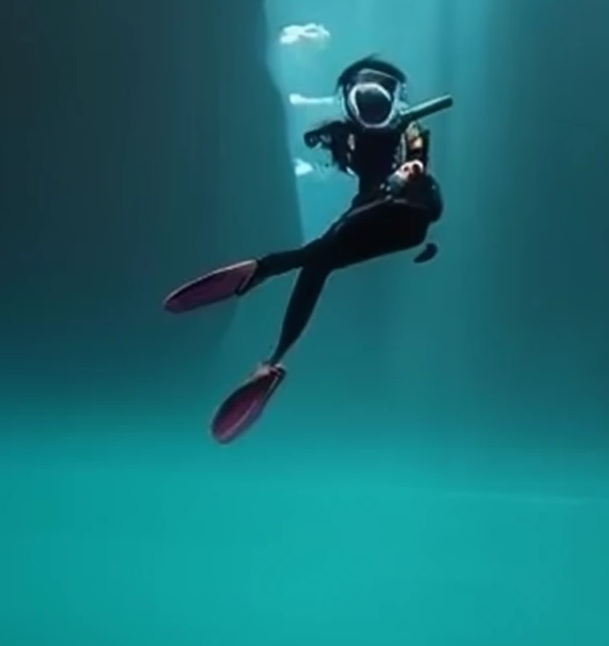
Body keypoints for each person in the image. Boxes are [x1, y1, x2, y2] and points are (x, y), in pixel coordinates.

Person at [163, 56, 447, 443]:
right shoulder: (348, 133)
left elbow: (416, 158)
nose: (370, 105)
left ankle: (260, 271)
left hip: (408, 212)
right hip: (372, 218)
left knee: (316, 257)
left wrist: (407, 172)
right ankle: (273, 361)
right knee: (318, 263)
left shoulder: (411, 128)